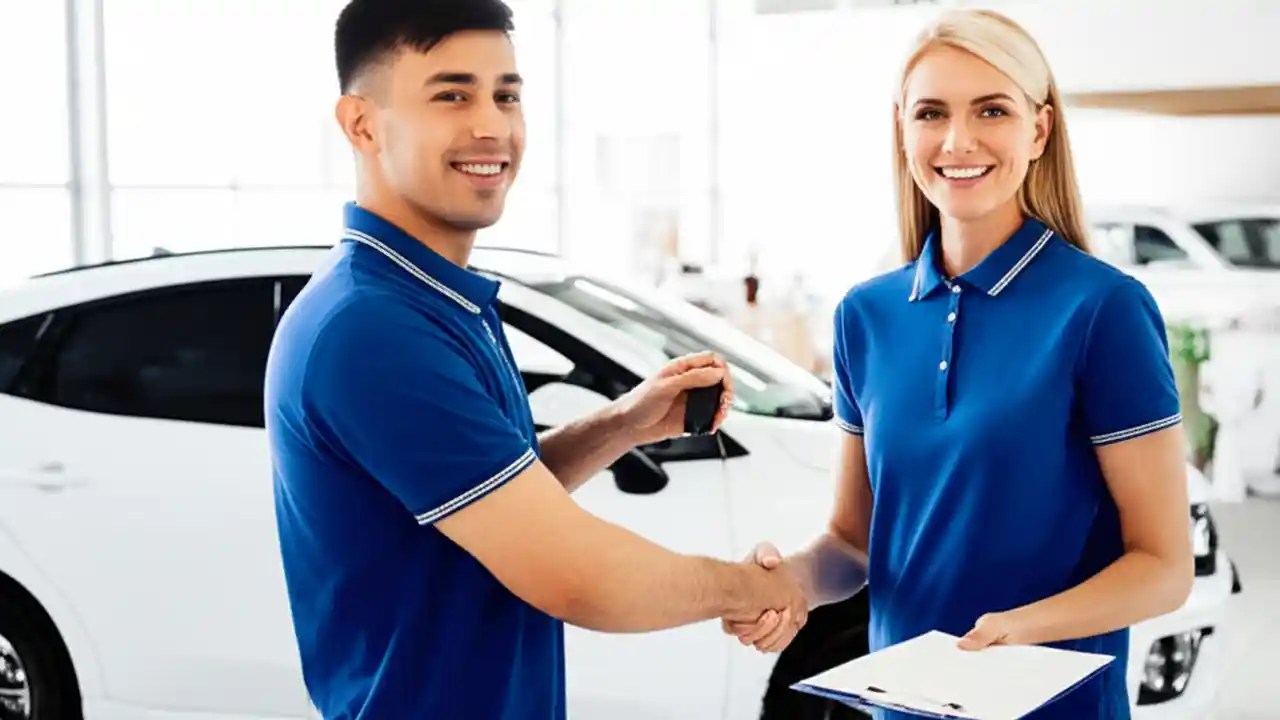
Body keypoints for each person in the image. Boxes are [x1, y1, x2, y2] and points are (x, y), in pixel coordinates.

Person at [263, 2, 807, 719]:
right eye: (452, 94)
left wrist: (621, 424)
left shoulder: (431, 300)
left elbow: (496, 499)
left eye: (507, 95)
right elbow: (573, 573)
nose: (491, 125)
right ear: (362, 124)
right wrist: (749, 589)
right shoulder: (372, 329)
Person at [727, 9, 1194, 719]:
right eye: (931, 113)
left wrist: (1019, 629)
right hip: (903, 707)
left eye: (992, 110)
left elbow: (1162, 569)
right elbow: (853, 543)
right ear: (902, 131)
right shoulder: (866, 316)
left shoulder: (1103, 310)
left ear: (1037, 131)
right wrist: (789, 581)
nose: (957, 140)